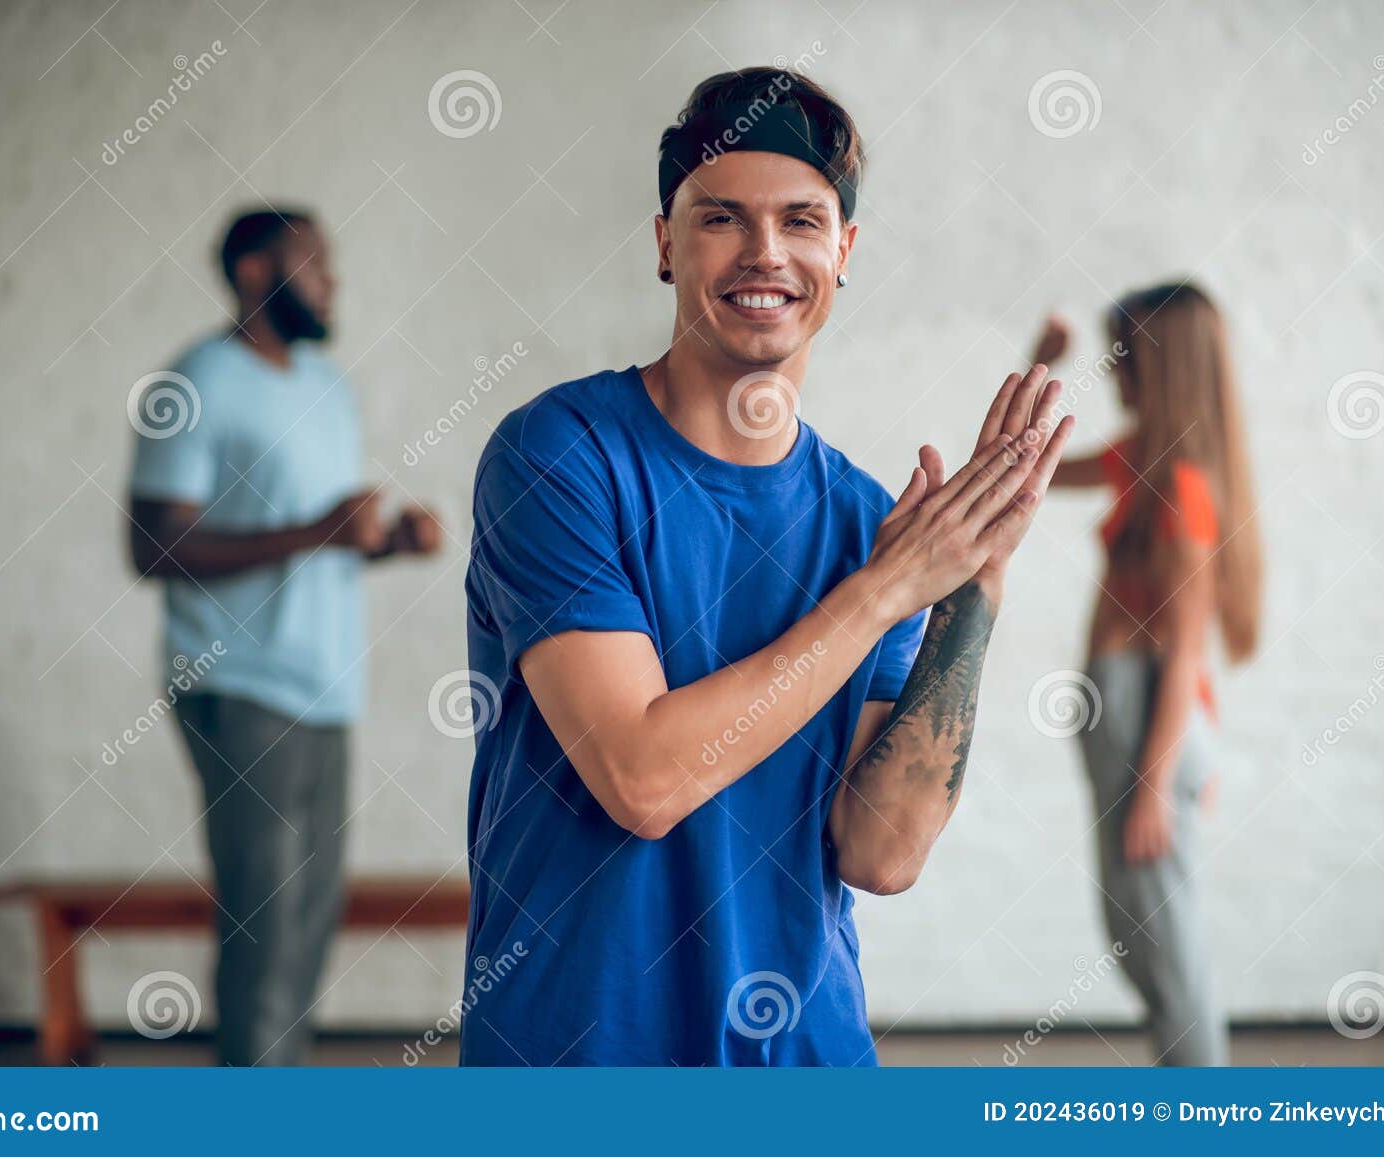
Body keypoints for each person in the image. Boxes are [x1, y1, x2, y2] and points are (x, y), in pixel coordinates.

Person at [457, 69, 1075, 1066]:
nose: (764, 254)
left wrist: (972, 586)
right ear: (665, 242)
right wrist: (880, 593)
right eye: (720, 219)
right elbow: (643, 778)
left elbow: (881, 851)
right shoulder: (557, 456)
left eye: (800, 219)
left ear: (844, 249)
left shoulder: (873, 518)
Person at [127, 207, 440, 1066]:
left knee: (309, 920)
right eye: (316, 264)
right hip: (238, 685)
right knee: (263, 919)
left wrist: (386, 541)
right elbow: (153, 545)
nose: (333, 280)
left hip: (328, 684)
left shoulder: (324, 385)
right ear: (257, 272)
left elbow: (316, 538)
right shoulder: (196, 380)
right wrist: (315, 532)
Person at [1033, 282, 1262, 1066]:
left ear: (1164, 366)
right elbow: (1033, 469)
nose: (1114, 368)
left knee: (1165, 940)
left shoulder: (1182, 492)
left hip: (1148, 725)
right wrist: (1039, 369)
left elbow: (1186, 651)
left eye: (1126, 353)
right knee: (1138, 932)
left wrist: (1155, 785)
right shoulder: (1139, 459)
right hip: (1128, 715)